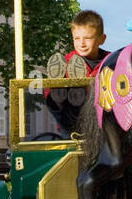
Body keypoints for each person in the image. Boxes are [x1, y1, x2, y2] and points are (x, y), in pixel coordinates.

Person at [36, 10, 109, 140]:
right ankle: (59, 92)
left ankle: (76, 91)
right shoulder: (67, 61)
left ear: (101, 39)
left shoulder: (109, 61)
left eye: (87, 38)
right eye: (77, 38)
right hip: (70, 120)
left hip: (99, 119)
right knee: (64, 103)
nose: (81, 44)